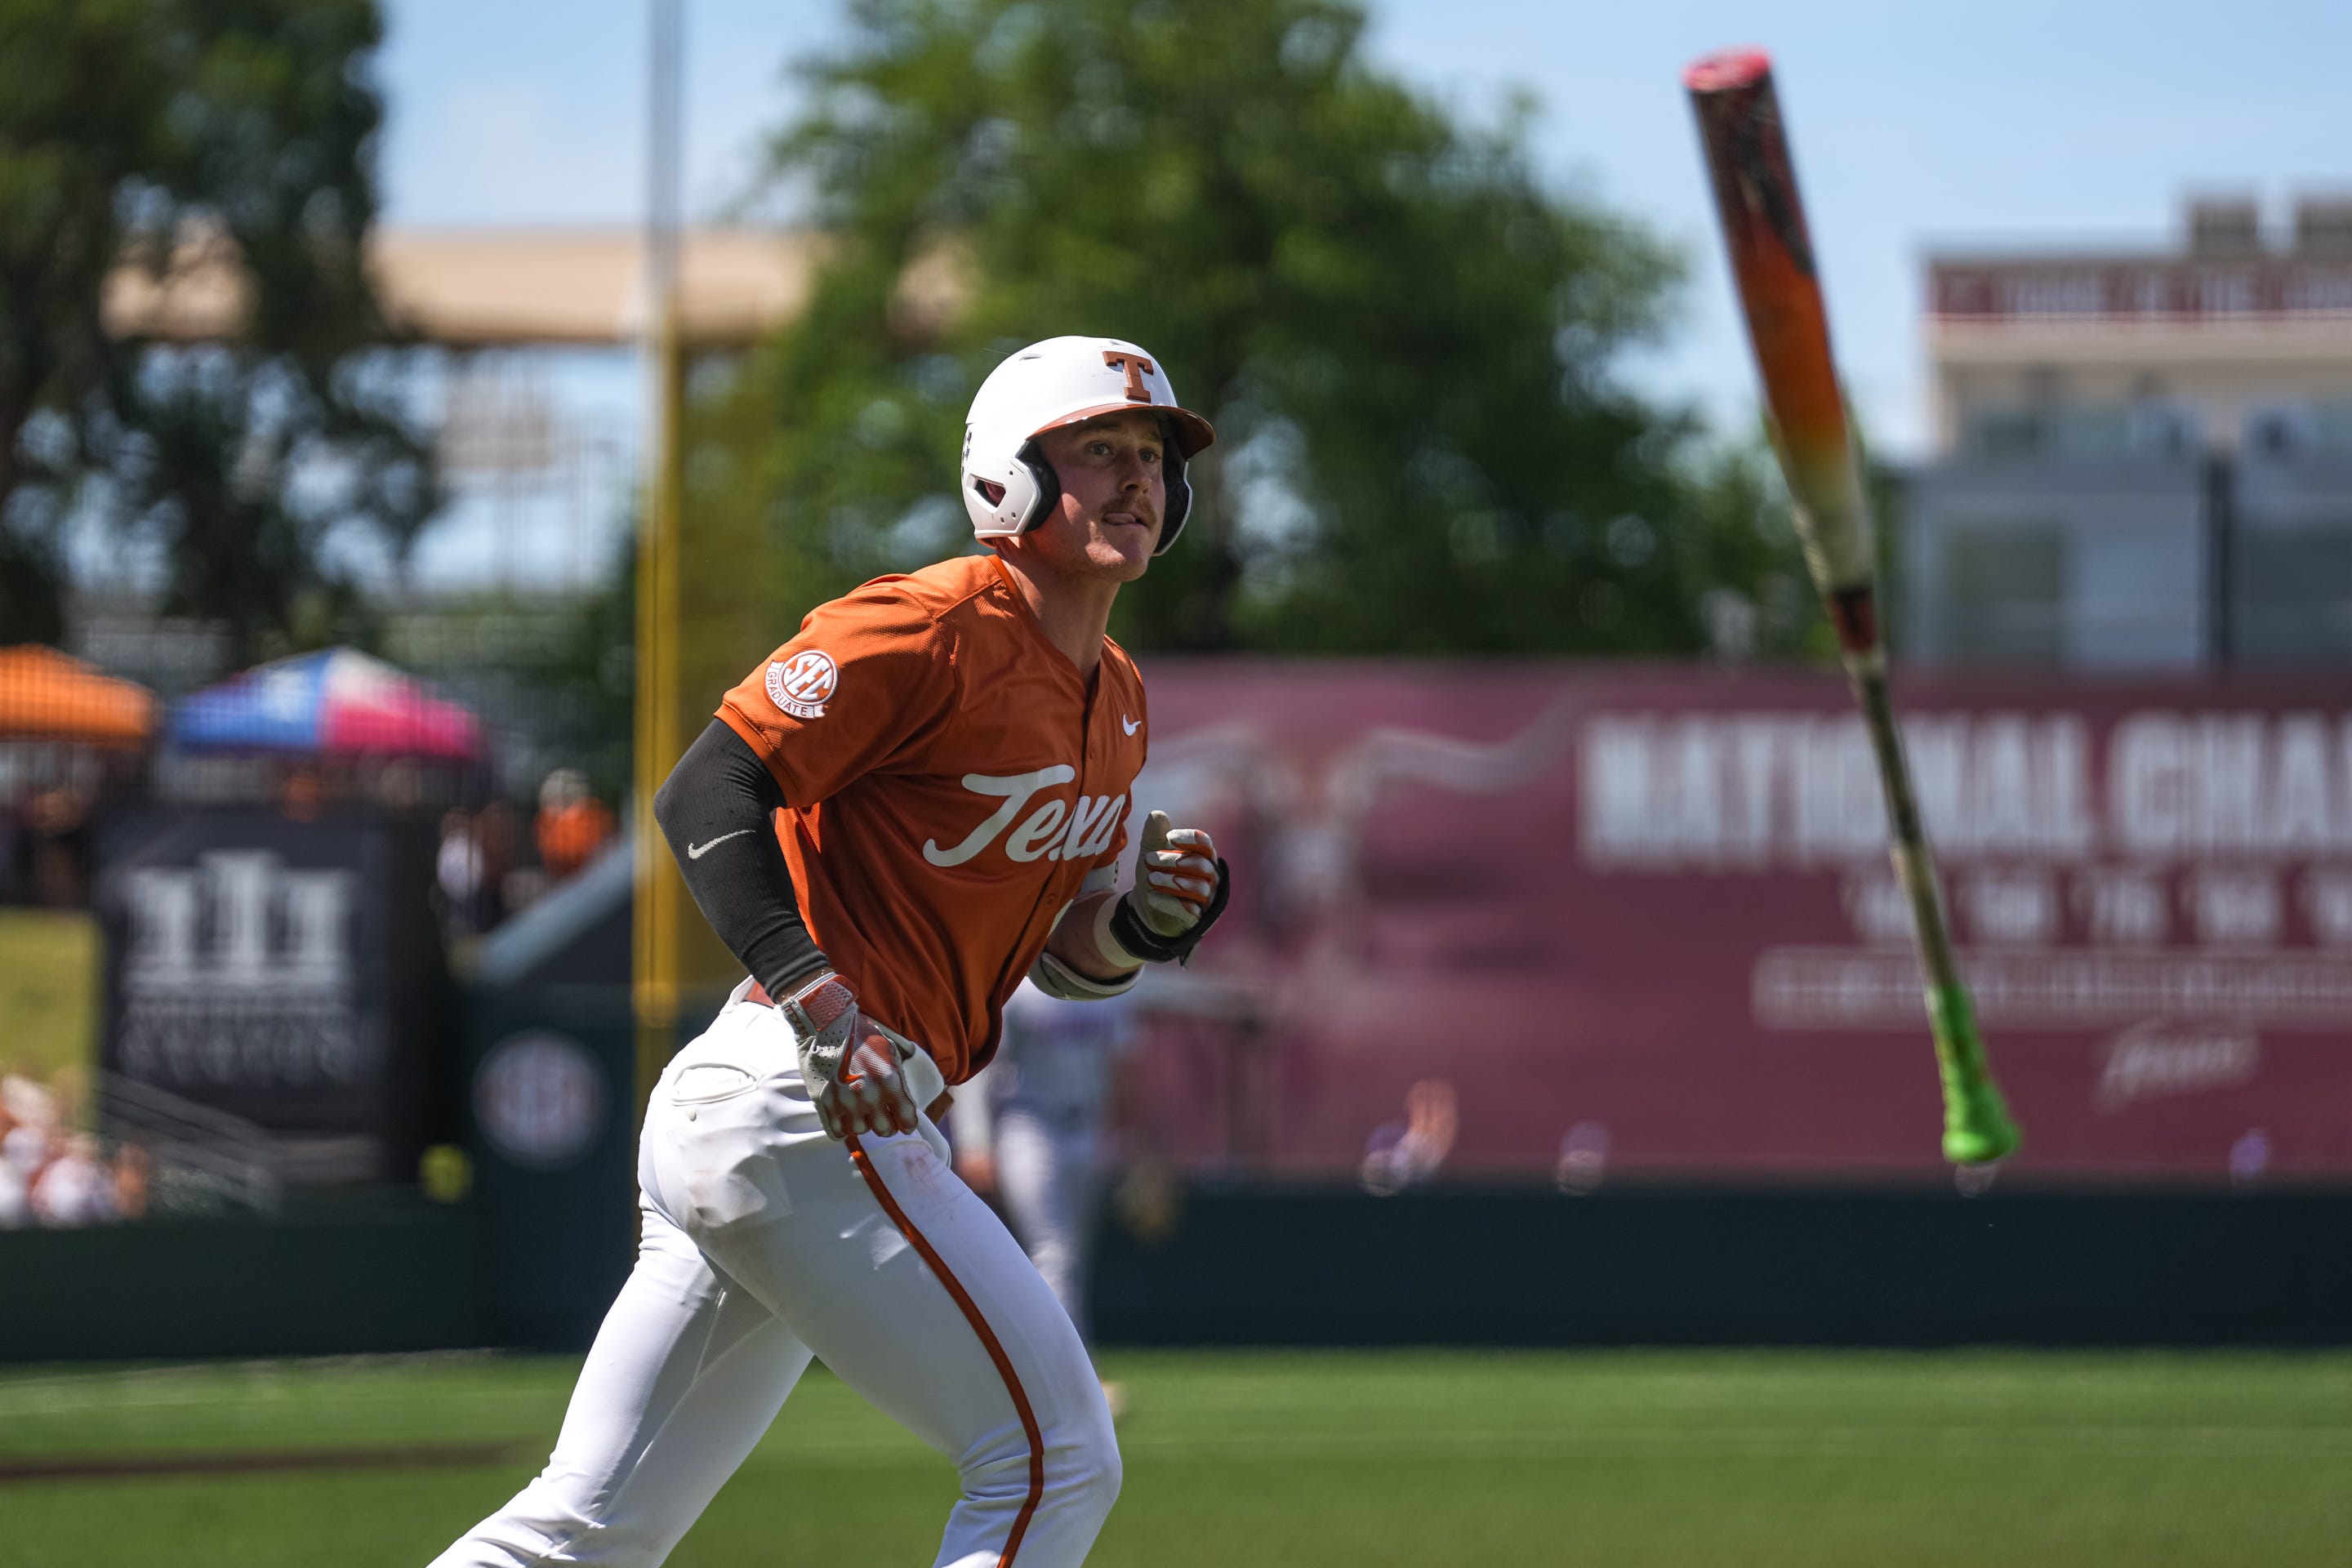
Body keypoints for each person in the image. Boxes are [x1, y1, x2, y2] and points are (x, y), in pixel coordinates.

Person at [432, 336, 1230, 1568]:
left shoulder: (1117, 695)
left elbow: (1061, 957)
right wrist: (819, 999)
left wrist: (1140, 926)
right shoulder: (925, 625)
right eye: (1098, 452)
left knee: (586, 1532)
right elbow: (705, 793)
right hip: (805, 1093)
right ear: (1008, 481)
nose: (1136, 479)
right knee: (1057, 1458)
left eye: (1151, 457)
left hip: (783, 1110)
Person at [953, 979, 1142, 1407]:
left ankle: (1040, 1368)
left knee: (1071, 1254)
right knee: (1054, 1252)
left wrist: (1132, 1142)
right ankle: (1077, 1379)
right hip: (1028, 1125)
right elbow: (980, 1065)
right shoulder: (1022, 984)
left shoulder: (1115, 979)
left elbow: (1124, 1063)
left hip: (1089, 1126)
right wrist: (976, 1141)